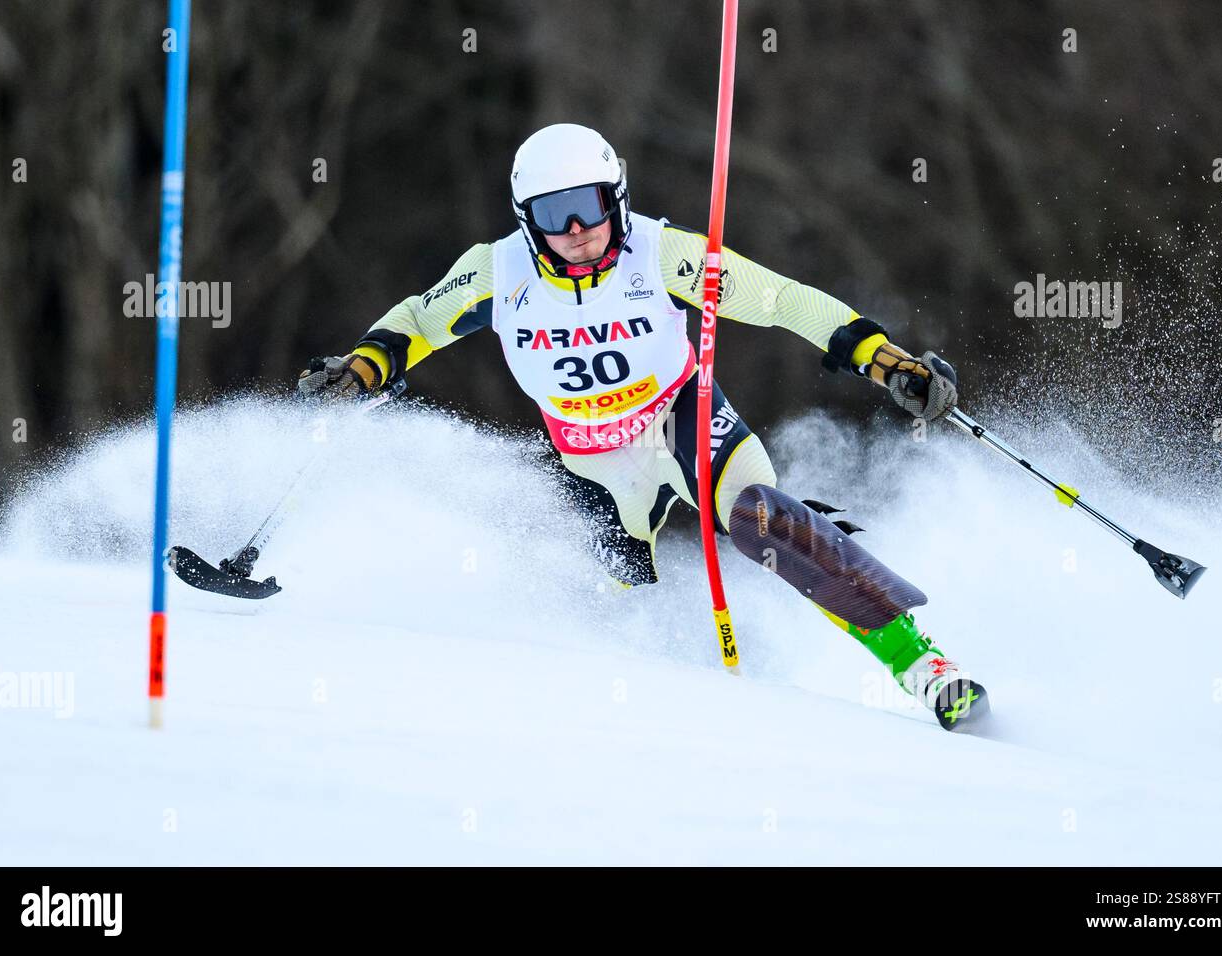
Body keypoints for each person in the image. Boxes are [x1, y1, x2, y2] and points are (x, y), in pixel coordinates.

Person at [298, 123, 987, 730]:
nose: (577, 228)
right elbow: (419, 320)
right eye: (555, 213)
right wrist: (365, 365)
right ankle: (665, 737)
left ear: (618, 198)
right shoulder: (498, 272)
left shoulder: (658, 253)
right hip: (591, 462)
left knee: (763, 521)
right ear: (527, 220)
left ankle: (924, 667)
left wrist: (882, 360)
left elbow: (779, 299)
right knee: (614, 607)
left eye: (592, 204)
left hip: (680, 418)